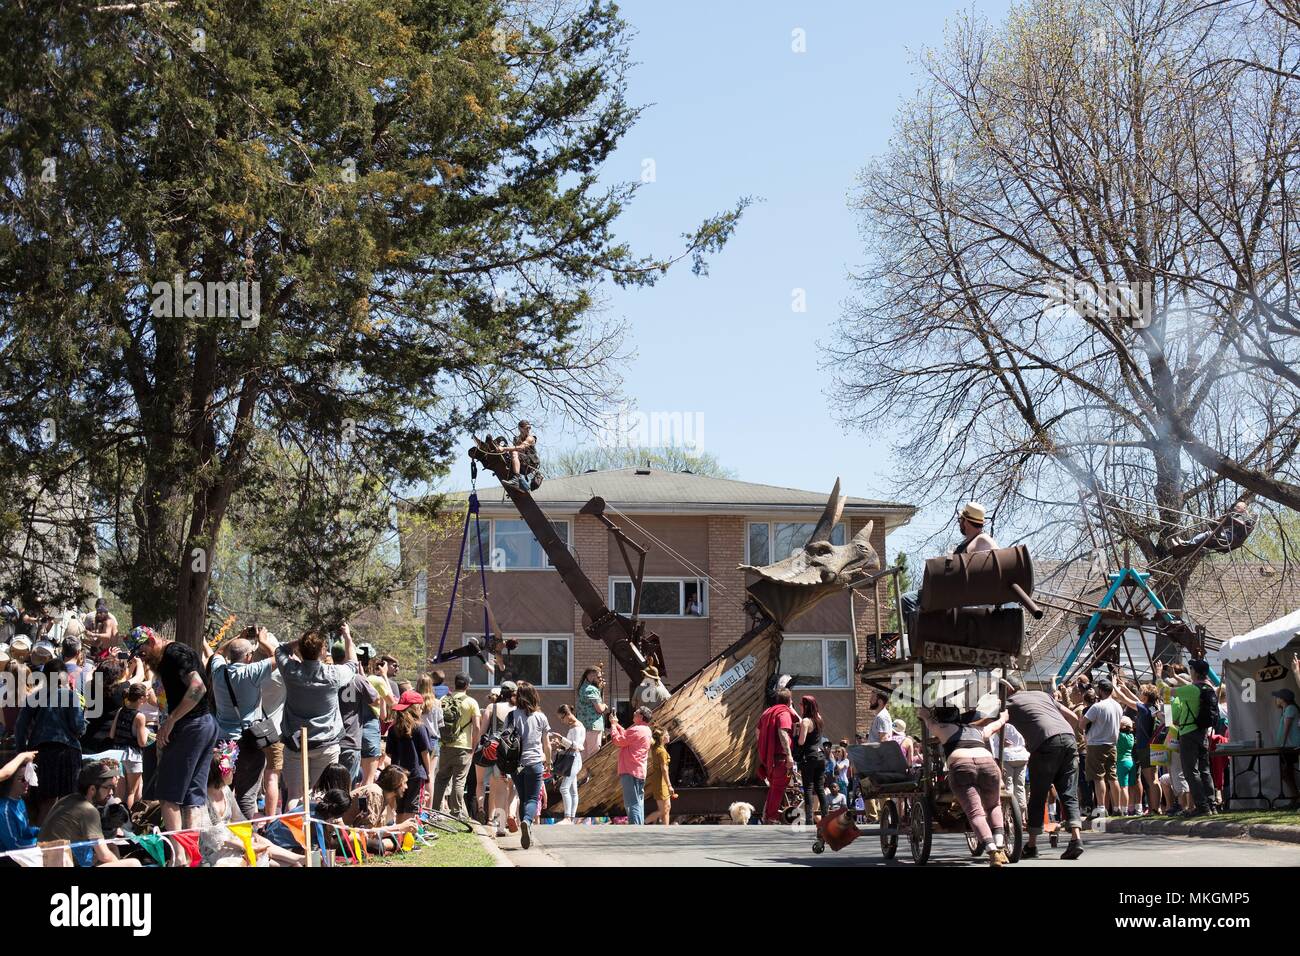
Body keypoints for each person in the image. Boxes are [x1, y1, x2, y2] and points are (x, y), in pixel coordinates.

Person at [274, 623, 359, 807]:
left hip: (295, 744)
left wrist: (302, 641)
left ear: (302, 649)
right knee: (320, 795)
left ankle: (295, 834)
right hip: (325, 744)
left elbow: (280, 649)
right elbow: (352, 664)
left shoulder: (291, 671)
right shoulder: (333, 675)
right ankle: (315, 833)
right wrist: (347, 637)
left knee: (294, 795)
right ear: (323, 650)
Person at [1000, 675, 1084, 859]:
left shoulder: (1010, 703)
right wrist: (1062, 734)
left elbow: (995, 724)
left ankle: (1031, 846)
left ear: (1008, 690)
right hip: (1069, 739)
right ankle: (1076, 839)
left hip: (1045, 744)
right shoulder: (1042, 695)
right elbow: (1071, 716)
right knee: (1069, 792)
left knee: (1038, 795)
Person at [206, 625, 279, 819]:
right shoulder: (252, 672)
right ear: (248, 657)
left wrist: (237, 637)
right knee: (247, 796)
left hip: (222, 744)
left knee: (223, 790)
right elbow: (278, 658)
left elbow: (218, 652)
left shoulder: (218, 671)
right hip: (247, 743)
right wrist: (263, 640)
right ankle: (246, 837)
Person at [922, 704, 1008, 866]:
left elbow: (929, 723)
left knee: (975, 813)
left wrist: (925, 715)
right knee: (994, 806)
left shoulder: (942, 728)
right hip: (988, 764)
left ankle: (992, 851)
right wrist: (1003, 718)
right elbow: (993, 726)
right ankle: (1000, 846)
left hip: (961, 766)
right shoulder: (975, 729)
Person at [900, 501, 999, 628]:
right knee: (916, 599)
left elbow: (995, 559)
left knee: (908, 599)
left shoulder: (982, 539)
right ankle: (923, 632)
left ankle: (918, 636)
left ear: (966, 521)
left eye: (960, 520)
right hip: (952, 589)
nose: (960, 524)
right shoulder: (969, 542)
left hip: (958, 593)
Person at [14, 659, 87, 819]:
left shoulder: (35, 696)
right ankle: (63, 841)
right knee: (68, 803)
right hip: (67, 753)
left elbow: (20, 727)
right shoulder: (70, 696)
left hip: (41, 753)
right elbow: (78, 727)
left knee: (45, 803)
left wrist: (22, 754)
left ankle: (41, 840)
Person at [37, 759, 140, 867]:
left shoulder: (67, 800)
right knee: (134, 864)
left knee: (111, 847)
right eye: (108, 787)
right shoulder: (88, 810)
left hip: (50, 862)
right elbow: (104, 855)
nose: (111, 792)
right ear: (92, 789)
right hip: (63, 864)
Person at [1170, 659, 1218, 817]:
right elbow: (1190, 685)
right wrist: (1176, 677)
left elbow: (1166, 692)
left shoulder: (1192, 690)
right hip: (1203, 731)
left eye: (1191, 668)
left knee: (1191, 771)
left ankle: (1202, 806)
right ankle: (1212, 805)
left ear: (1195, 672)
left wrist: (1157, 677)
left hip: (1188, 732)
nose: (1189, 671)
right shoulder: (1209, 687)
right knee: (1205, 770)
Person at [509, 681, 552, 849]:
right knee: (533, 798)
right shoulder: (541, 717)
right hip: (534, 762)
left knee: (523, 797)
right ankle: (527, 821)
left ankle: (525, 832)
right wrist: (548, 762)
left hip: (517, 765)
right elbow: (547, 744)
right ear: (535, 697)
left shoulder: (512, 716)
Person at [431, 673, 480, 820]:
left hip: (445, 745)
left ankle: (435, 810)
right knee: (459, 780)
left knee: (441, 779)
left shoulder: (443, 699)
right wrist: (474, 745)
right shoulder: (471, 702)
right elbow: (477, 726)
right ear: (467, 685)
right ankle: (456, 813)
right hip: (463, 746)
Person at [386, 690, 434, 823]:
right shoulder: (419, 727)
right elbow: (425, 752)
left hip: (398, 774)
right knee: (412, 808)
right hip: (416, 773)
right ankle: (407, 840)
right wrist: (428, 772)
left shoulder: (393, 728)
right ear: (416, 707)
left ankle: (399, 838)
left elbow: (389, 752)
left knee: (400, 808)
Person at [334, 642, 378, 786]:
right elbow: (376, 699)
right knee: (347, 787)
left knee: (331, 786)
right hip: (350, 740)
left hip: (329, 740)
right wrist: (363, 677)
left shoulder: (326, 675)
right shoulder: (357, 679)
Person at [480, 683, 518, 835]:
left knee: (499, 789)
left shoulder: (492, 708)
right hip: (514, 753)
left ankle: (500, 825)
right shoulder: (518, 709)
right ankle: (511, 815)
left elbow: (483, 732)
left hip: (497, 752)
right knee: (512, 788)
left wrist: (478, 747)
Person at [1082, 678, 1124, 818]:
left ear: (1100, 690)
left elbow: (1082, 723)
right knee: (1113, 776)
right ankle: (1118, 808)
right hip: (1112, 744)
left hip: (1096, 744)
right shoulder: (1118, 706)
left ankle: (1101, 808)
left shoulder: (1098, 706)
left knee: (1098, 777)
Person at [756, 687, 796, 824]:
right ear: (789, 700)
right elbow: (783, 732)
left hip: (769, 760)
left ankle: (768, 816)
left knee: (774, 788)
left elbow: (757, 733)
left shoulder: (767, 712)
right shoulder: (783, 713)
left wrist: (765, 750)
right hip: (780, 758)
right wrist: (789, 755)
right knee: (778, 789)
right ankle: (771, 817)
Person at [610, 705, 654, 824]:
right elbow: (627, 735)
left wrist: (613, 726)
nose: (634, 713)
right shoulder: (646, 730)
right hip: (639, 770)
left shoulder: (636, 729)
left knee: (631, 803)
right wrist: (617, 724)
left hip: (630, 770)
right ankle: (639, 827)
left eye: (636, 712)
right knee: (638, 802)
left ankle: (635, 829)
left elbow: (618, 740)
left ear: (641, 716)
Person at [110, 683, 150, 809]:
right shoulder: (140, 717)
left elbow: (111, 734)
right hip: (132, 755)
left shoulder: (121, 710)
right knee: (131, 792)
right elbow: (142, 742)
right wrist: (148, 733)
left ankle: (113, 819)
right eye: (147, 695)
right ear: (141, 699)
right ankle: (129, 821)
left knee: (118, 792)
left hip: (116, 754)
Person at [1168, 500, 1255, 557]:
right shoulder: (1235, 515)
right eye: (1236, 506)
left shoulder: (1247, 517)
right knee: (1204, 535)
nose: (1235, 508)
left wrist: (1231, 520)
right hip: (1226, 535)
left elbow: (1247, 525)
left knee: (1208, 534)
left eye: (1238, 507)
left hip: (1231, 538)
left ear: (1244, 508)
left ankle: (1185, 543)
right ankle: (1183, 546)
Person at [550, 703, 586, 823]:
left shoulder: (576, 727)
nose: (561, 721)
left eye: (561, 718)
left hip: (574, 760)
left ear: (567, 715)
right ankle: (571, 818)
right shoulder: (576, 726)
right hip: (573, 759)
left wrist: (561, 738)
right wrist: (560, 743)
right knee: (572, 790)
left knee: (564, 788)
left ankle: (568, 817)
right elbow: (572, 745)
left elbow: (577, 746)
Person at [0, 751, 39, 860]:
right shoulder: (4, 810)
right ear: (9, 781)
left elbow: (25, 832)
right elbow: (15, 847)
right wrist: (42, 842)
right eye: (22, 779)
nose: (27, 782)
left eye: (28, 777)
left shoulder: (20, 801)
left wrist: (44, 831)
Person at [795, 695, 827, 825]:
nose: (800, 707)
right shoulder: (819, 718)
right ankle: (825, 816)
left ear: (806, 706)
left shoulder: (806, 721)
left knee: (808, 788)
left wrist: (797, 733)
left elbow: (801, 741)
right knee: (820, 788)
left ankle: (809, 819)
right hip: (820, 756)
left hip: (809, 757)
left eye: (801, 705)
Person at [644, 728, 678, 825]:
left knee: (666, 808)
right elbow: (664, 769)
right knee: (665, 809)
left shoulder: (656, 748)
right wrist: (669, 785)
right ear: (662, 738)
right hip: (661, 780)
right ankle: (644, 822)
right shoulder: (661, 751)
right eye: (667, 735)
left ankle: (665, 828)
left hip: (658, 779)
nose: (669, 736)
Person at [575, 666, 608, 763]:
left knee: (584, 756)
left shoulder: (583, 687)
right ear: (591, 676)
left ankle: (583, 777)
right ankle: (591, 777)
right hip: (593, 726)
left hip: (583, 726)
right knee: (593, 755)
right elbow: (599, 709)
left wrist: (599, 688)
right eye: (598, 677)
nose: (600, 679)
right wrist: (604, 706)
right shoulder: (591, 689)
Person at [1274, 687, 1300, 806]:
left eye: (1278, 697)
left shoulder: (1290, 709)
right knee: (1287, 772)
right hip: (1288, 745)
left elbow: (1287, 728)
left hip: (1290, 746)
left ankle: (1295, 796)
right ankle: (1295, 796)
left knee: (1287, 772)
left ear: (1283, 699)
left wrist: (1283, 744)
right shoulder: (1287, 709)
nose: (1276, 699)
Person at [499, 420, 539, 491]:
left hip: (530, 465)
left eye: (529, 428)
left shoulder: (530, 438)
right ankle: (516, 480)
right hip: (522, 464)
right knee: (509, 455)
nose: (528, 429)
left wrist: (504, 448)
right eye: (526, 428)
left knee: (514, 452)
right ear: (520, 429)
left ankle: (516, 479)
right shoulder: (517, 439)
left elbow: (520, 448)